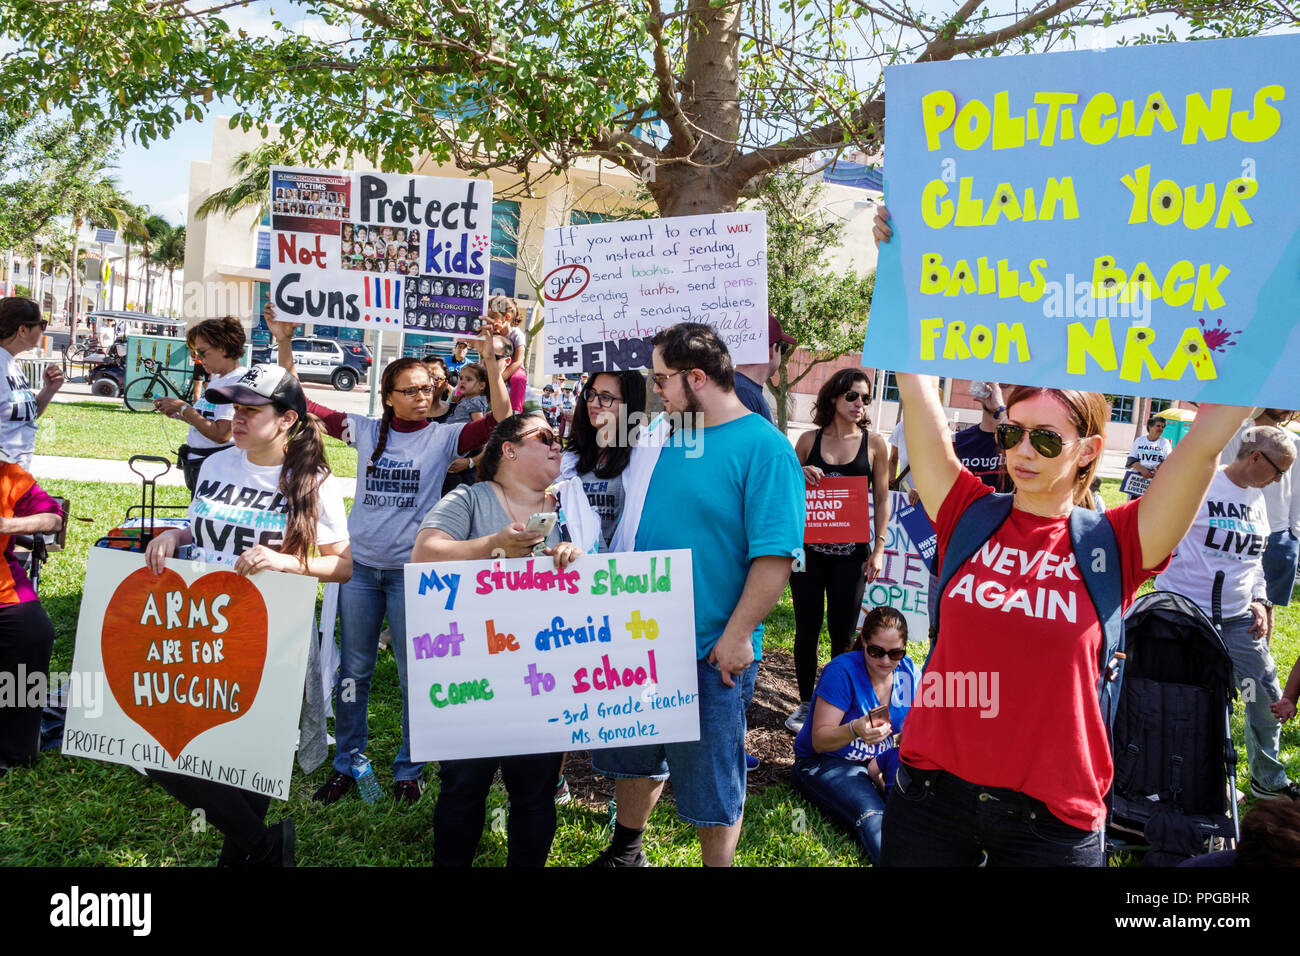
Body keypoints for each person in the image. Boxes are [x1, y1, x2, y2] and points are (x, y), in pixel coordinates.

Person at [873, 180, 1252, 868]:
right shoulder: (965, 511)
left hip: (1050, 821)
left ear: (1086, 450)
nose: (1021, 452)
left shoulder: (1118, 542)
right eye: (1015, 434)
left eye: (1045, 440)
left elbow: (1201, 447)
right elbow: (917, 386)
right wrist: (899, 272)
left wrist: (1265, 312)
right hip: (931, 801)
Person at [266, 310, 511, 806]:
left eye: (429, 389)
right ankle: (348, 763)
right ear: (389, 396)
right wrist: (284, 342)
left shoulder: (444, 436)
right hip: (357, 571)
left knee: (413, 674)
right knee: (354, 673)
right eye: (412, 390)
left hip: (412, 576)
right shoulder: (362, 429)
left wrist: (493, 362)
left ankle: (410, 767)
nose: (425, 397)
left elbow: (504, 421)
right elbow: (298, 402)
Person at [587, 323, 805, 867]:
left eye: (662, 379)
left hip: (713, 650)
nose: (655, 390)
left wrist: (736, 636)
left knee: (713, 785)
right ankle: (627, 850)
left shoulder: (766, 449)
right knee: (636, 757)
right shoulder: (671, 432)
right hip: (642, 637)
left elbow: (774, 557)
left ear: (698, 378)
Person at [143, 363, 353, 865]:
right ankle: (266, 849)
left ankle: (249, 852)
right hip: (199, 628)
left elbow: (343, 565)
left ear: (285, 420)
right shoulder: (216, 465)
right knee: (156, 751)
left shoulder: (314, 481)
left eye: (250, 410)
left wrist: (284, 560)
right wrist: (176, 534)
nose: (236, 419)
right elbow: (206, 528)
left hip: (270, 638)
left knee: (245, 766)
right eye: (234, 408)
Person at [412, 413, 581, 866]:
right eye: (544, 437)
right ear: (508, 449)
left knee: (534, 794)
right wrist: (489, 546)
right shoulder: (469, 498)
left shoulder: (573, 508)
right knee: (463, 787)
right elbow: (424, 552)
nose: (556, 445)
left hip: (544, 680)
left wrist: (575, 555)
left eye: (559, 438)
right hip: (473, 677)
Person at [1154, 425, 1300, 801]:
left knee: (1262, 694)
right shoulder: (1202, 485)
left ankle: (1267, 780)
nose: (1279, 480)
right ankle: (1175, 779)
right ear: (1255, 458)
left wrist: (1260, 599)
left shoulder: (1256, 497)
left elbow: (1252, 560)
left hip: (1237, 620)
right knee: (1188, 700)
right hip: (1185, 616)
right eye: (1278, 470)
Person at [786, 369, 890, 733]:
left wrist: (878, 549)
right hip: (808, 556)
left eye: (865, 398)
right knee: (807, 628)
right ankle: (804, 704)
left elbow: (881, 497)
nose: (860, 404)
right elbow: (786, 488)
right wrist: (801, 472)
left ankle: (836, 704)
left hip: (852, 557)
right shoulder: (807, 441)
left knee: (842, 634)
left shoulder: (875, 444)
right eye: (852, 397)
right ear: (833, 397)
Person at [790, 607, 914, 863]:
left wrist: (882, 765)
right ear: (864, 642)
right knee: (872, 813)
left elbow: (907, 734)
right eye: (876, 651)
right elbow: (819, 740)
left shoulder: (907, 672)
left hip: (875, 763)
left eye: (895, 653)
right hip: (824, 763)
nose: (886, 661)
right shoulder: (843, 671)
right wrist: (854, 729)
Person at [0, 455, 62, 775]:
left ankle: (15, 748)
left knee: (35, 632)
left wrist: (7, 525)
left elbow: (53, 519)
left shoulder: (8, 475)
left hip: (4, 590)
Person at [1222, 408, 1300, 638]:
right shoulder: (1238, 434)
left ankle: (1259, 657)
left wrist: (1293, 536)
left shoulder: (1293, 442)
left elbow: (1297, 490)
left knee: (1266, 605)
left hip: (1277, 534)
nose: (1289, 409)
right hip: (1235, 526)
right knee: (1230, 599)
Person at [152, 317, 249, 493]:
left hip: (218, 469)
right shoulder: (218, 378)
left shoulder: (236, 382)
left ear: (224, 347)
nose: (198, 358)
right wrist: (179, 413)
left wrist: (184, 408)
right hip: (202, 466)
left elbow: (221, 434)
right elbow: (209, 421)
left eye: (203, 352)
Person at [0, 298, 63, 470]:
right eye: (41, 324)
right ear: (22, 329)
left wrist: (50, 389)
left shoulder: (11, 364)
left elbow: (25, 416)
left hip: (18, 478)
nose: (44, 330)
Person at [733, 314, 796, 423]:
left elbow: (694, 438)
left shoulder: (740, 388)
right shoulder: (743, 392)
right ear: (772, 350)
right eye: (783, 348)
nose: (782, 355)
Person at [442, 361, 491, 495]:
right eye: (461, 378)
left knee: (458, 480)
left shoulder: (474, 401)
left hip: (464, 447)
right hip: (458, 443)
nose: (462, 382)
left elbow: (481, 426)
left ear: (481, 385)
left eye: (469, 379)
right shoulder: (468, 399)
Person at [1126, 415, 1173, 497]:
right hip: (1138, 478)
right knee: (1134, 504)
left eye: (1163, 427)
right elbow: (1132, 459)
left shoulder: (1165, 443)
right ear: (1150, 427)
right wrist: (1143, 471)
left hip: (1156, 478)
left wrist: (1154, 471)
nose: (1161, 429)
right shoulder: (1139, 440)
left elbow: (1168, 461)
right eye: (1158, 426)